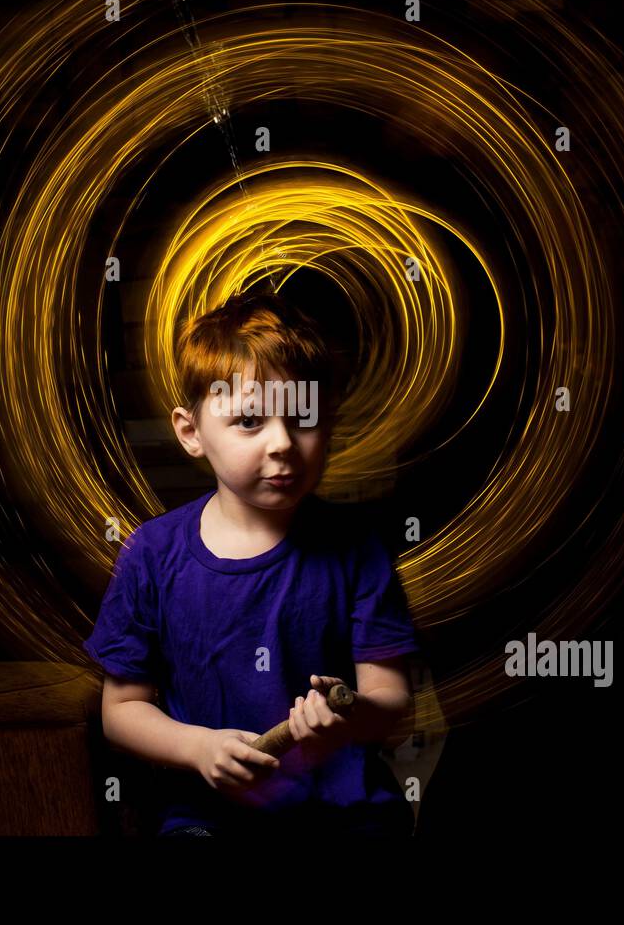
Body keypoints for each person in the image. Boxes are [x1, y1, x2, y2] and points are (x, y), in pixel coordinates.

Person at [83, 289, 420, 836]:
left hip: (344, 814)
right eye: (249, 422)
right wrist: (197, 747)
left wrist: (346, 717)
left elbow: (392, 701)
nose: (283, 443)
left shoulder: (359, 549)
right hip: (207, 818)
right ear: (191, 432)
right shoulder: (150, 554)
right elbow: (120, 712)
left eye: (303, 419)